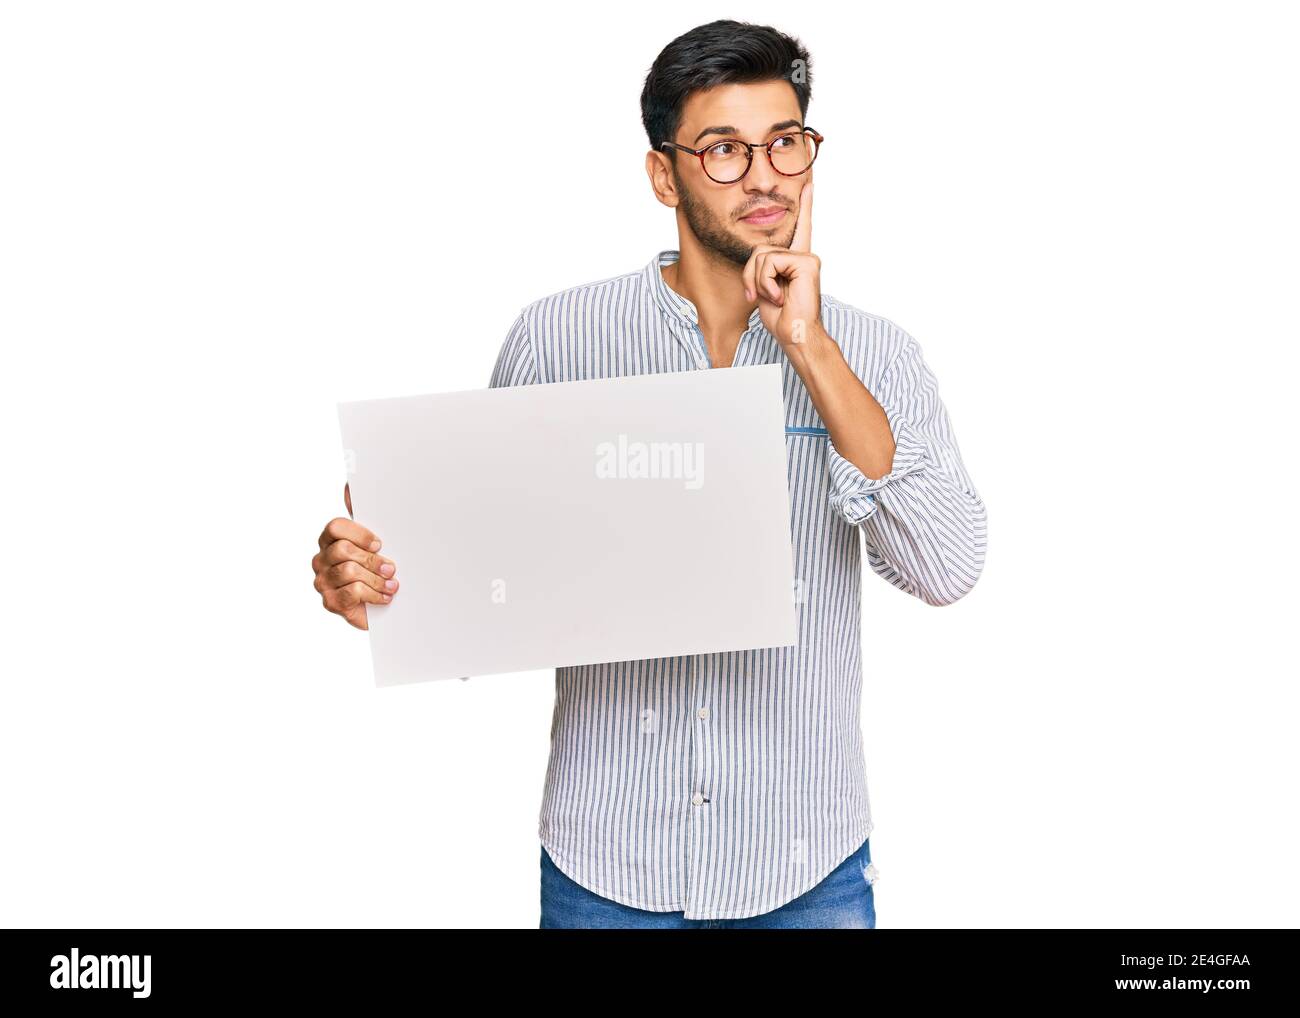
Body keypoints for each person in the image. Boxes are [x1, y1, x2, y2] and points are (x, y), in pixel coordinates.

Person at [312, 19, 987, 928]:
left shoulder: (874, 354)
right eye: (723, 150)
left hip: (804, 867)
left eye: (785, 143)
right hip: (607, 863)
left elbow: (947, 567)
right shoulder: (558, 340)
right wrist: (378, 582)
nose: (763, 175)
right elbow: (482, 579)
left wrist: (810, 348)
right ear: (663, 173)